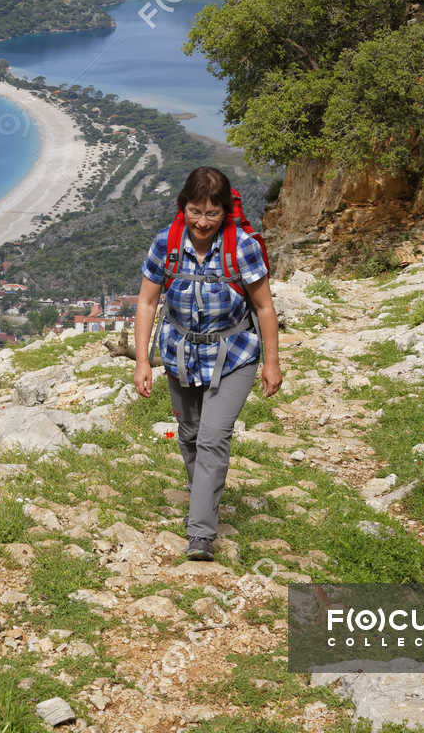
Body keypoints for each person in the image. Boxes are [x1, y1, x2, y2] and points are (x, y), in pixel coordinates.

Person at [132, 166, 282, 561]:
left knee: (213, 436)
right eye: (195, 212)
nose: (202, 223)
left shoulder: (243, 247)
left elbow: (264, 307)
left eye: (211, 214)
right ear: (184, 208)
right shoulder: (166, 243)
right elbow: (147, 302)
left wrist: (272, 363)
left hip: (234, 354)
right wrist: (143, 361)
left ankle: (200, 533)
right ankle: (205, 496)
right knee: (190, 433)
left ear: (225, 213)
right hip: (181, 353)